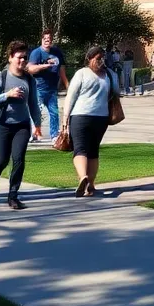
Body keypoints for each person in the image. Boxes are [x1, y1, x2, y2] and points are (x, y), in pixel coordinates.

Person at [0, 41, 43, 210]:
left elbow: (33, 103)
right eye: (19, 57)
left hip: (22, 125)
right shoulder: (2, 76)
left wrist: (37, 124)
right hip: (2, 124)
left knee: (18, 159)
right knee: (1, 160)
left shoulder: (29, 79)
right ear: (11, 57)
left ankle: (13, 196)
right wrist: (7, 95)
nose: (22, 61)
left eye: (25, 57)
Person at [62, 46, 119, 197]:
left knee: (80, 149)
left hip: (81, 116)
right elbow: (116, 93)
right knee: (93, 151)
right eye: (98, 58)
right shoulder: (110, 75)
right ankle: (90, 185)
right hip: (100, 117)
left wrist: (65, 118)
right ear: (89, 59)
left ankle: (83, 178)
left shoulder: (81, 73)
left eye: (102, 58)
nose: (101, 61)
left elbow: (70, 97)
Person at [27, 31, 68, 142]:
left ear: (51, 40)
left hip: (52, 88)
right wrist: (45, 66)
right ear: (41, 40)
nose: (47, 40)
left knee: (54, 112)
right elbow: (30, 69)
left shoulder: (57, 52)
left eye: (49, 39)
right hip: (38, 87)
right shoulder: (36, 53)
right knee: (37, 112)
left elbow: (62, 70)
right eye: (45, 38)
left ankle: (54, 135)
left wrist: (67, 85)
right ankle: (34, 133)